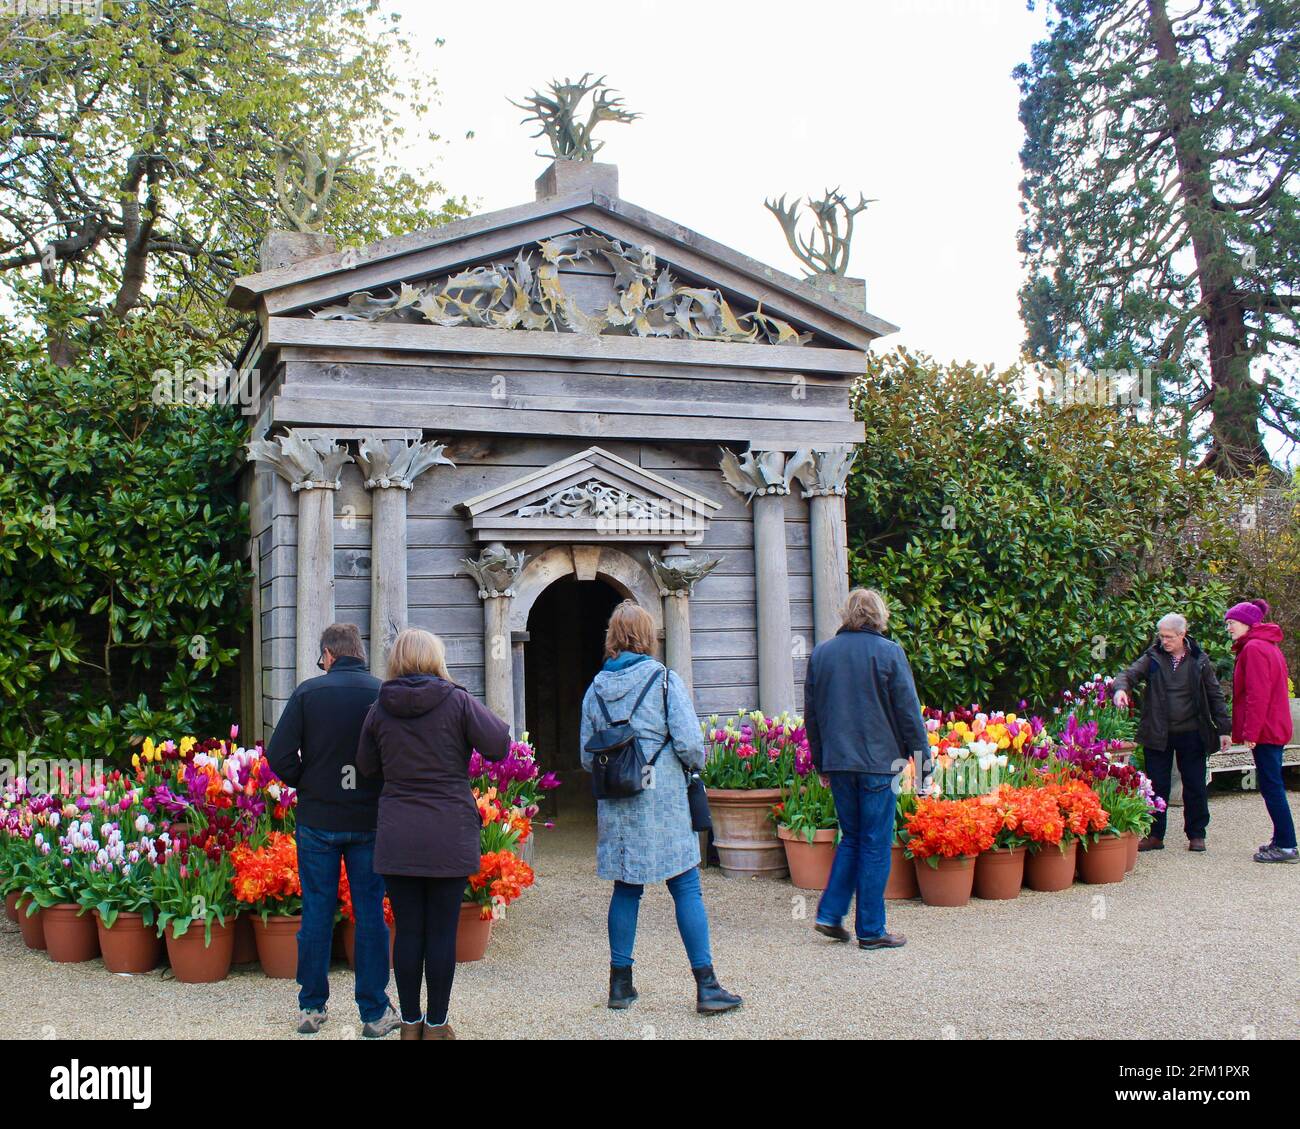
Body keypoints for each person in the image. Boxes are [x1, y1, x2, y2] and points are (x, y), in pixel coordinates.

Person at [579, 600, 741, 1015]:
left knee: (626, 888)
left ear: (612, 638)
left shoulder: (595, 687)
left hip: (618, 801)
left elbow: (586, 755)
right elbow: (689, 743)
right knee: (685, 886)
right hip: (664, 797)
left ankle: (620, 987)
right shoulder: (666, 680)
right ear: (648, 637)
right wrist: (692, 766)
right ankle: (707, 988)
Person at [357, 627, 511, 1040]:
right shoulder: (457, 701)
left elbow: (366, 767)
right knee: (441, 933)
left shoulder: (379, 708)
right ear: (435, 659)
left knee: (408, 931)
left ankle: (409, 1024)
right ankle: (437, 1025)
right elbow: (499, 744)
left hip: (399, 831)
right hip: (448, 831)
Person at [266, 623, 399, 1038]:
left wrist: (305, 780)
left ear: (328, 653)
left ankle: (311, 1006)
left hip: (319, 818)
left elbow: (278, 753)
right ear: (357, 653)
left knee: (317, 911)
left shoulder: (309, 692)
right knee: (370, 914)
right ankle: (374, 1011)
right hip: (367, 818)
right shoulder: (381, 693)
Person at [804, 588, 926, 951]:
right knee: (874, 844)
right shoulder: (889, 653)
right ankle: (871, 930)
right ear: (879, 616)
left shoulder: (822, 654)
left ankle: (830, 914)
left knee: (853, 838)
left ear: (847, 614)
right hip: (879, 764)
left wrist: (821, 760)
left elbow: (813, 714)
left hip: (840, 762)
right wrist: (925, 765)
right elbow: (909, 713)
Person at [1112, 612, 1231, 853]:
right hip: (1159, 731)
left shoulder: (1200, 660)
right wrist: (1120, 689)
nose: (1164, 641)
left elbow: (1215, 695)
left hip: (1192, 733)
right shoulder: (1153, 656)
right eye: (1161, 636)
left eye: (1168, 637)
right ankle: (1156, 835)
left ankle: (1197, 835)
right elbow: (1128, 674)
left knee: (1195, 784)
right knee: (1157, 785)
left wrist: (1224, 729)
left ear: (1182, 635)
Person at [1224, 599, 1297, 863]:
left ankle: (1287, 845)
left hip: (1266, 730)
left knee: (1271, 785)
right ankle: (1281, 840)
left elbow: (1257, 694)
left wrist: (1251, 732)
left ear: (1247, 623)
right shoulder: (1265, 646)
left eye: (1231, 623)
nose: (1229, 628)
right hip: (1272, 727)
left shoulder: (1254, 648)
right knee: (1271, 784)